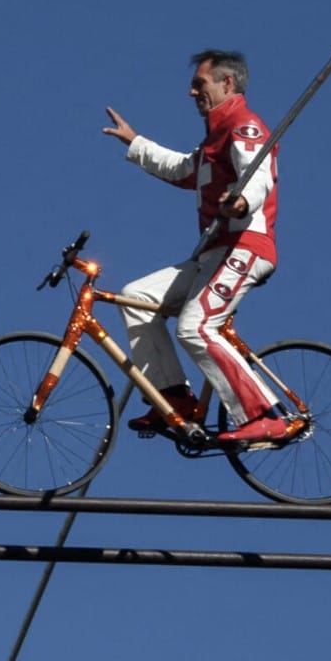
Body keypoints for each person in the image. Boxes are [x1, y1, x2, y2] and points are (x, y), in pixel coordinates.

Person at [100, 49, 291, 446]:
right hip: (214, 254)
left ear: (227, 83)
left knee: (196, 327)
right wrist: (136, 143)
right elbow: (184, 170)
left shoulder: (243, 124)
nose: (191, 92)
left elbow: (259, 172)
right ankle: (174, 399)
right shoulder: (214, 137)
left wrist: (242, 200)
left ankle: (267, 416)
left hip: (244, 246)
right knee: (134, 297)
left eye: (199, 83)